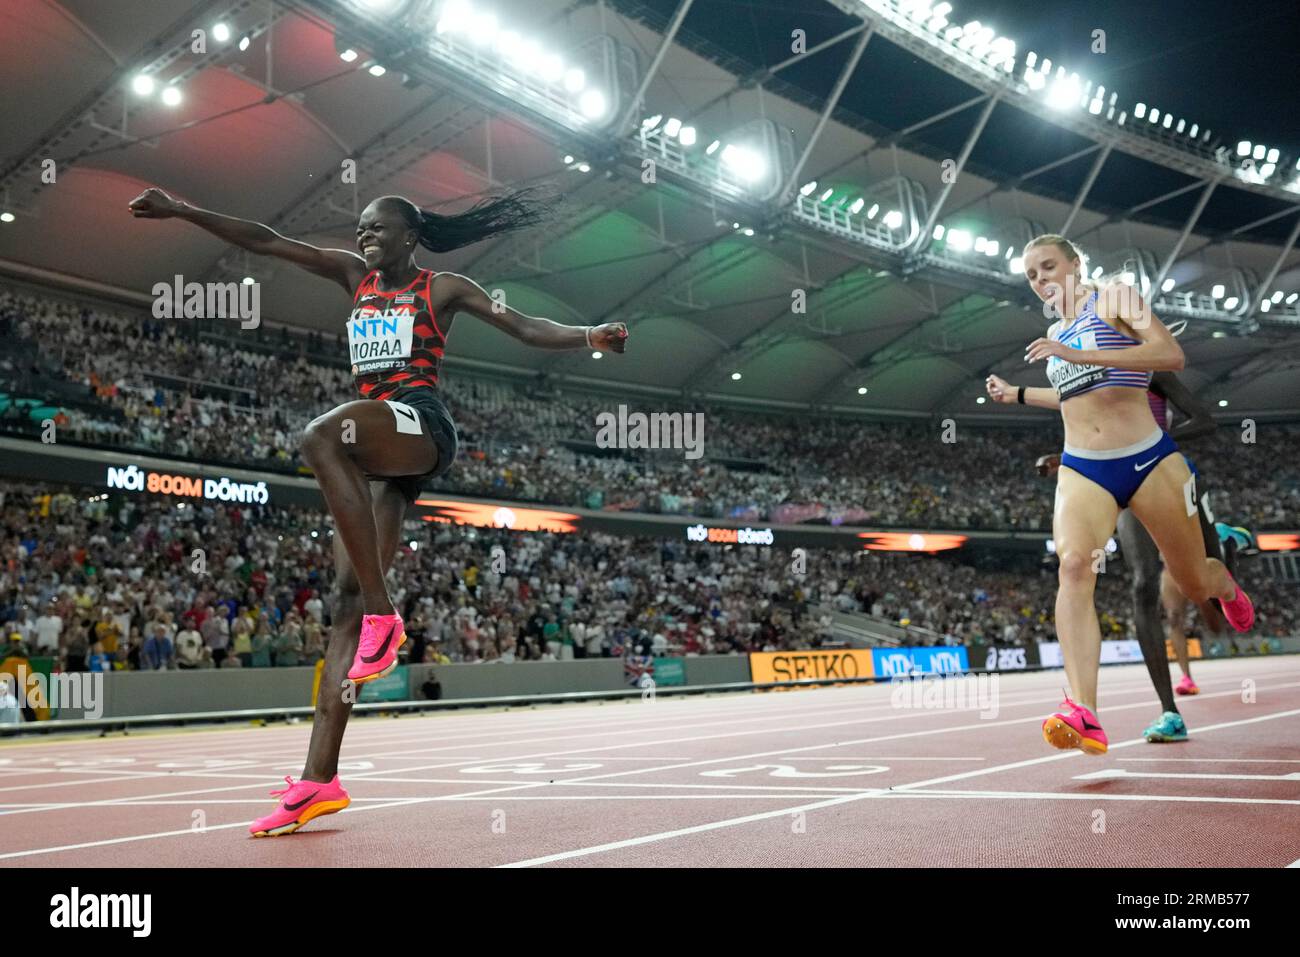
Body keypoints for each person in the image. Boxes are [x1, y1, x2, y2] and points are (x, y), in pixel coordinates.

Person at [130, 184, 627, 836]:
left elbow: (523, 325)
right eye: (361, 228)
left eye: (377, 230)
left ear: (409, 237)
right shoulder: (352, 275)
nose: (364, 237)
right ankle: (319, 778)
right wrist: (185, 208)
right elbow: (266, 239)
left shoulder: (440, 287)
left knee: (319, 436)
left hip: (420, 426)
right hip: (378, 451)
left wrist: (588, 335)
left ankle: (384, 612)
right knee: (341, 606)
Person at [984, 234, 1253, 755]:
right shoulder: (1055, 330)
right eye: (1031, 275)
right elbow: (1072, 391)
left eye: (1047, 267)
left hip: (1150, 460)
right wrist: (1015, 393)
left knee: (1193, 580)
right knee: (1074, 566)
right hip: (1084, 466)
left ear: (1075, 262)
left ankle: (1226, 586)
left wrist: (1074, 351)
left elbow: (1169, 355)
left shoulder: (1115, 298)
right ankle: (1084, 710)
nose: (1040, 280)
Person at [1024, 371, 1231, 743]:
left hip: (1168, 478)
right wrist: (1063, 458)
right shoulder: (1085, 378)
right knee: (1143, 584)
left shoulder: (1151, 372)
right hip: (1121, 486)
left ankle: (1225, 555)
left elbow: (1205, 420)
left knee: (1208, 600)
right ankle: (1170, 710)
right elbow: (1091, 436)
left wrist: (1153, 444)